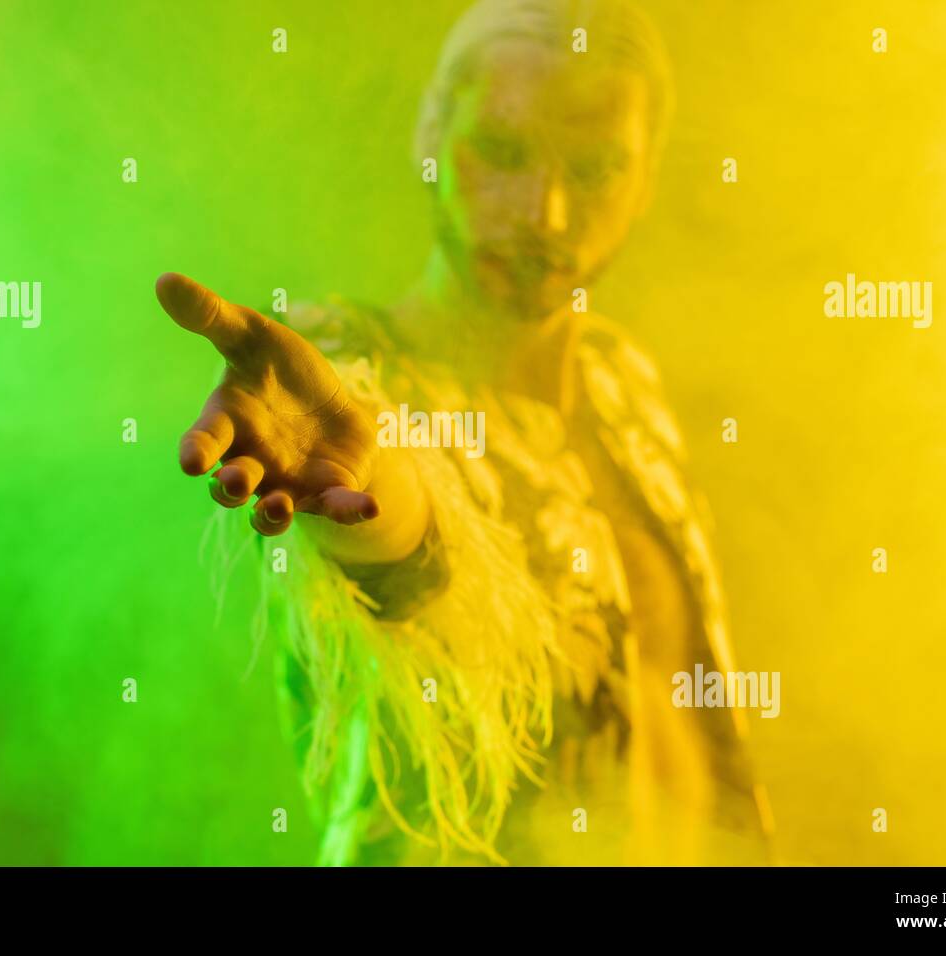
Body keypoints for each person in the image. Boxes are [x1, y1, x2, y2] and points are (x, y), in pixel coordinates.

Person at [155, 0, 772, 865]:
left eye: (596, 168)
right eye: (504, 152)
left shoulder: (624, 381)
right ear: (431, 134)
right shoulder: (348, 375)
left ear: (647, 176)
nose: (546, 214)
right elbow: (407, 551)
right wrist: (362, 501)